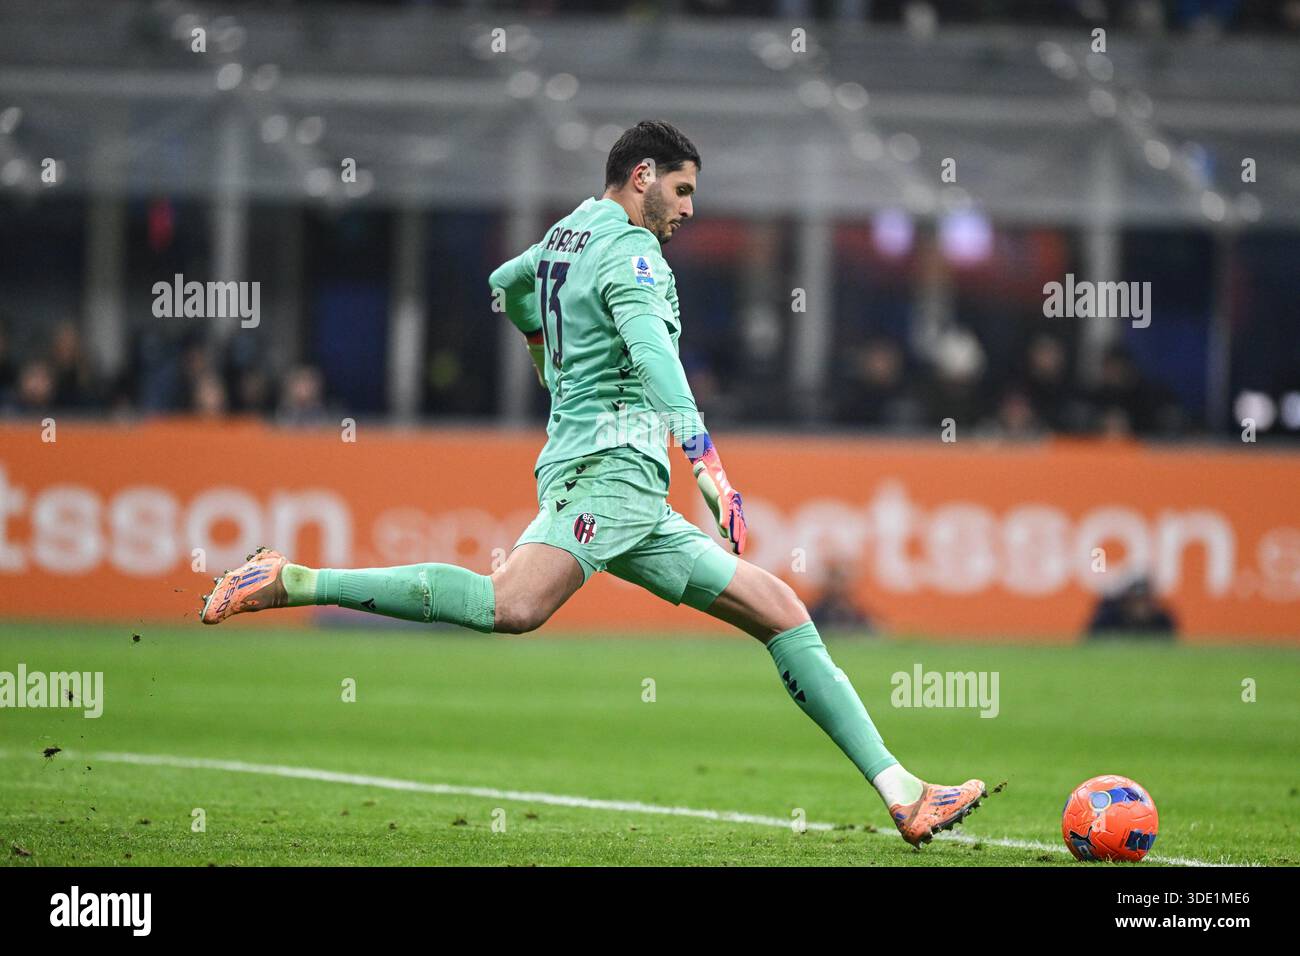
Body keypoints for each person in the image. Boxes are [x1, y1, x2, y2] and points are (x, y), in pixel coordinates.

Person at [198, 120, 984, 847]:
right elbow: (653, 356)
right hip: (611, 477)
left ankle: (904, 792)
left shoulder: (566, 233)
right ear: (641, 175)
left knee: (780, 610)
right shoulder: (634, 254)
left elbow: (505, 282)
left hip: (626, 491)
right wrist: (707, 462)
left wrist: (541, 348)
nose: (686, 211)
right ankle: (292, 579)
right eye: (681, 191)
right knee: (511, 605)